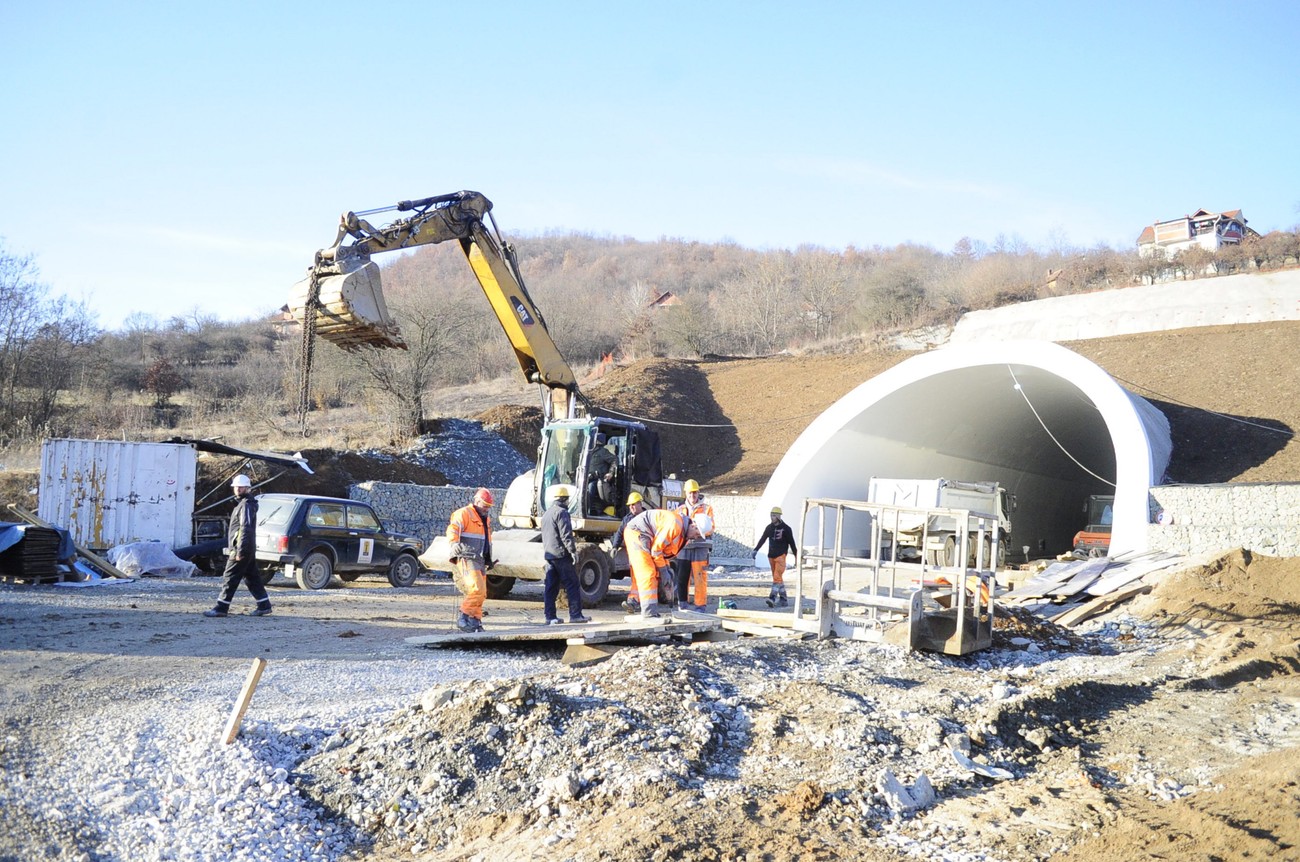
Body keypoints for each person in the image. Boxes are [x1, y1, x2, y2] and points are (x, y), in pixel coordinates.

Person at [204, 474, 272, 617]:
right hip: (246, 547)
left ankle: (220, 608)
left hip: (241, 548)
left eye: (240, 487)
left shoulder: (246, 505)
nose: (237, 489)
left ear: (248, 488)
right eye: (236, 487)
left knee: (230, 576)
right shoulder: (244, 504)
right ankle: (264, 605)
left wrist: (240, 550)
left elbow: (245, 528)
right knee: (252, 577)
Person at [621, 507, 702, 618]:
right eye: (697, 534)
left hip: (647, 535)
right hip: (637, 532)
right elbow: (656, 550)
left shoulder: (683, 533)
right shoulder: (675, 526)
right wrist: (664, 571)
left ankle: (650, 611)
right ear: (693, 526)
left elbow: (663, 552)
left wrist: (667, 569)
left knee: (654, 572)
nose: (696, 537)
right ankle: (649, 613)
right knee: (647, 573)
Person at [446, 488, 496, 633]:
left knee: (483, 593)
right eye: (485, 505)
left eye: (488, 506)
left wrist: (488, 559)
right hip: (467, 556)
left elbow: (485, 540)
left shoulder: (484, 518)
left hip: (479, 559)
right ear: (477, 501)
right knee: (476, 589)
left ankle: (475, 621)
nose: (487, 508)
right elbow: (453, 529)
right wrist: (453, 543)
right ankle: (464, 616)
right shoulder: (464, 513)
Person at [540, 486, 591, 625]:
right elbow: (566, 535)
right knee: (572, 584)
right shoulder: (562, 513)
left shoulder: (547, 513)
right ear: (565, 499)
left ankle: (550, 617)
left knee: (551, 587)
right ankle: (575, 615)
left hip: (550, 556)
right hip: (562, 555)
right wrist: (573, 551)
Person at [674, 479, 716, 610]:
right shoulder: (680, 509)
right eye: (690, 493)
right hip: (684, 547)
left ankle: (700, 605)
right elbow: (676, 527)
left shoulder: (706, 509)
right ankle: (683, 604)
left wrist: (697, 531)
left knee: (700, 577)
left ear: (698, 493)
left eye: (695, 493)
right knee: (682, 577)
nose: (692, 496)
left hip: (701, 546)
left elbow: (711, 527)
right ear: (685, 494)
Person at [610, 491, 647, 612]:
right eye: (630, 505)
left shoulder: (647, 517)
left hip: (645, 553)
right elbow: (620, 532)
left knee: (644, 578)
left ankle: (637, 601)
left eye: (634, 504)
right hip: (633, 554)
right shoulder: (627, 519)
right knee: (636, 578)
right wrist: (615, 546)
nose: (631, 507)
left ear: (640, 504)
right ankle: (634, 600)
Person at [754, 506, 798, 608]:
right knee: (777, 579)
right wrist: (756, 549)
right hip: (771, 556)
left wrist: (797, 556)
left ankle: (772, 597)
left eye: (774, 515)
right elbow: (763, 539)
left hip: (781, 556)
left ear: (778, 516)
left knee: (777, 577)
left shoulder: (787, 529)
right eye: (771, 515)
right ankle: (783, 600)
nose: (772, 517)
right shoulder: (769, 528)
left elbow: (792, 543)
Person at [587, 432, 618, 515]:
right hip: (585, 478)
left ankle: (588, 511)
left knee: (590, 489)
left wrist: (611, 473)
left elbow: (614, 460)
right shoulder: (587, 451)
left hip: (597, 479)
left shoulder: (602, 452)